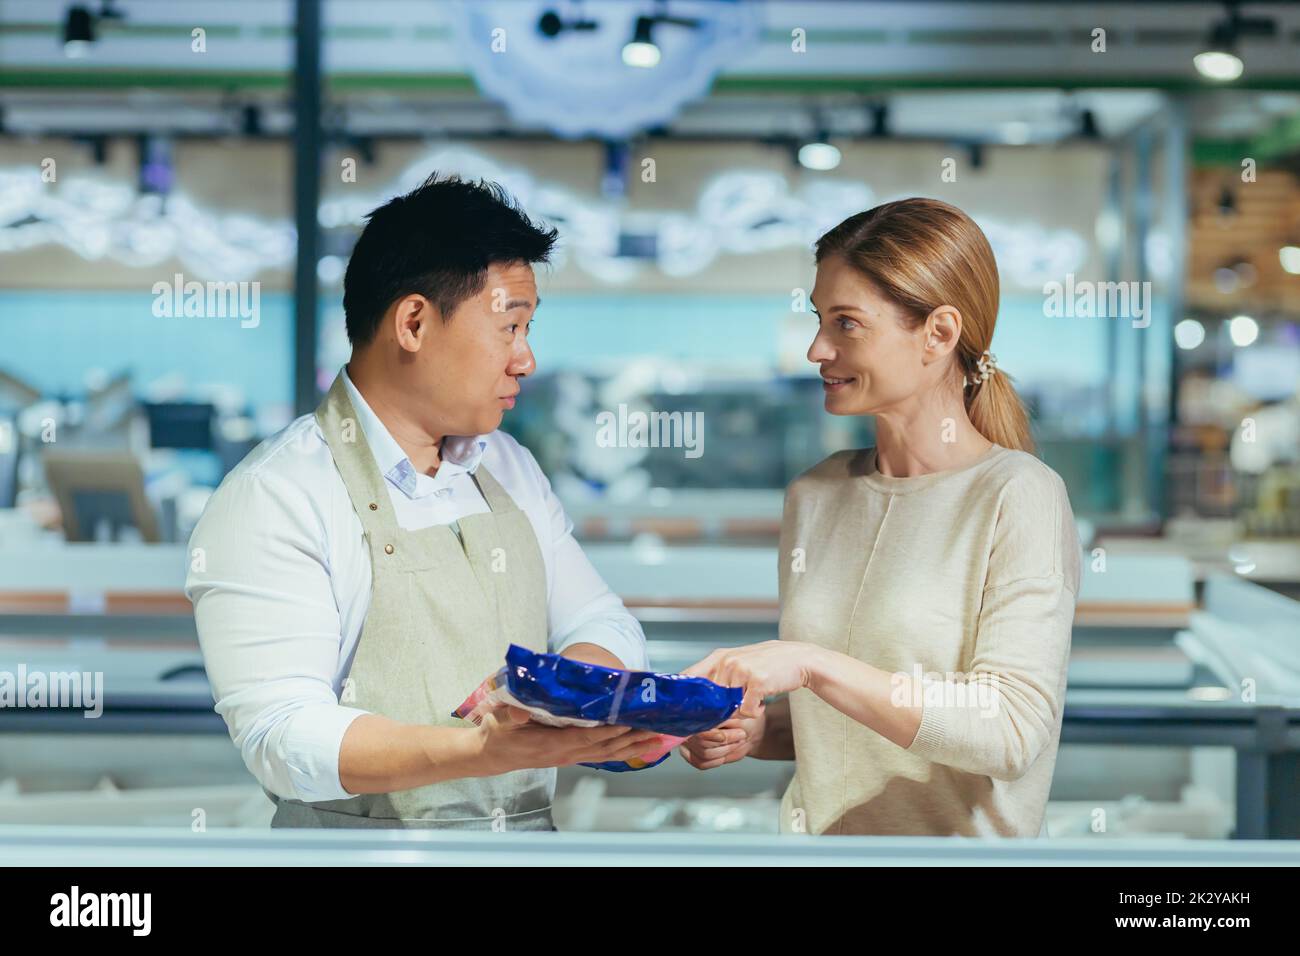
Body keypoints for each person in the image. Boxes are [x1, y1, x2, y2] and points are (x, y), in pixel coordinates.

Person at [186, 174, 658, 830]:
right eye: (510, 327)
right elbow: (282, 737)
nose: (526, 359)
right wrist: (479, 749)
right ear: (413, 323)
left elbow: (605, 623)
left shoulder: (509, 469)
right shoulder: (279, 495)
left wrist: (560, 698)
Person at [682, 198, 1082, 838]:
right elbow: (851, 722)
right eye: (819, 319)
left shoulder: (1019, 495)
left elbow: (1010, 730)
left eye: (847, 323)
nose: (817, 348)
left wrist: (810, 663)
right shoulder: (815, 495)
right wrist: (759, 731)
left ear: (939, 334)